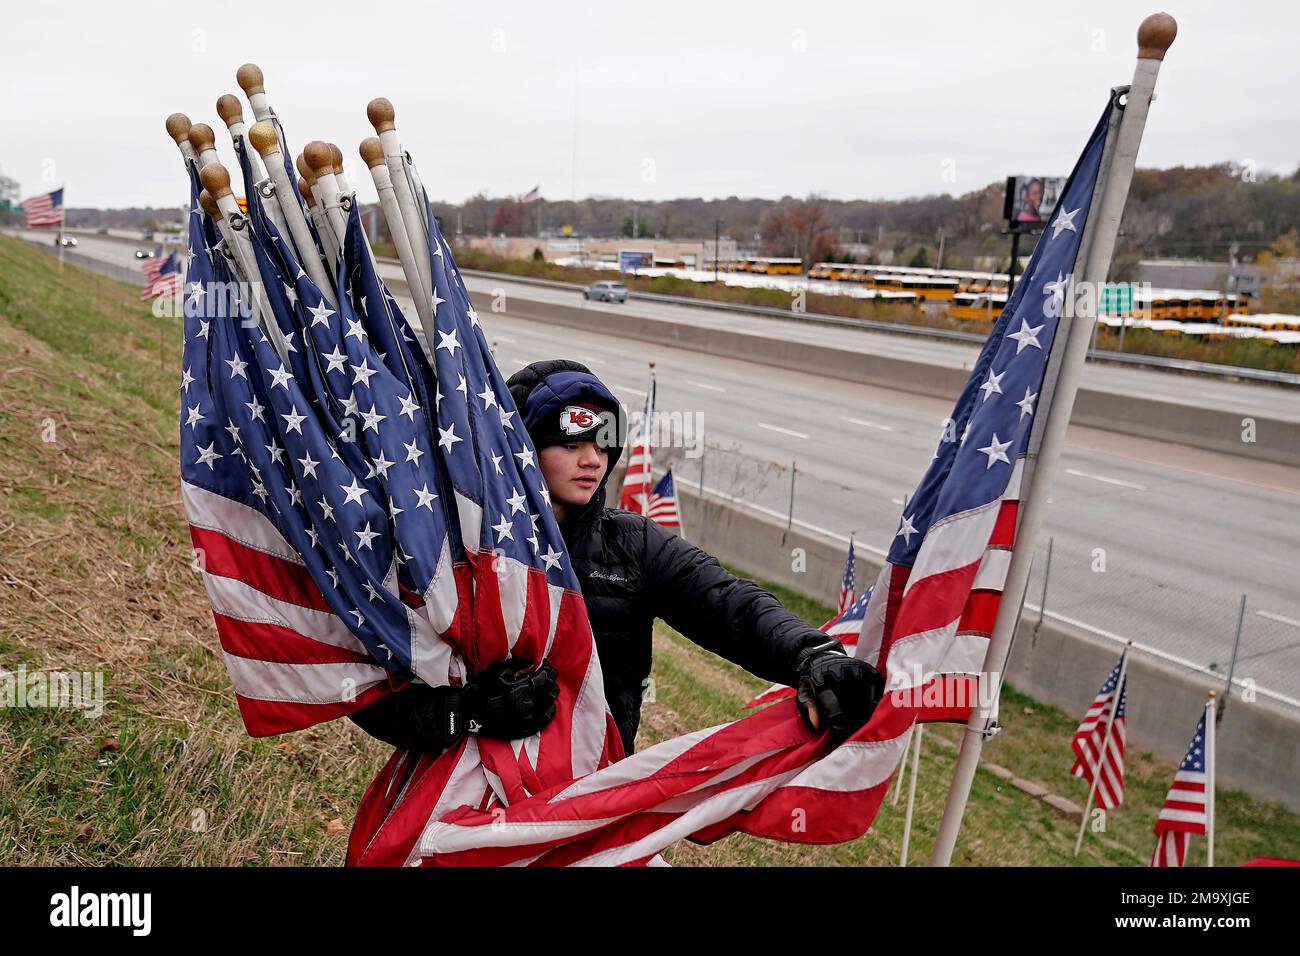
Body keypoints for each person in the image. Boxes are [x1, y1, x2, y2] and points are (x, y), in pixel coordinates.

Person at [349, 359, 885, 758]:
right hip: (463, 796)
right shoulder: (451, 545)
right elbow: (366, 688)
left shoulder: (632, 545)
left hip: (590, 790)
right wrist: (467, 715)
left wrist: (812, 656)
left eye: (605, 445)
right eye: (571, 443)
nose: (593, 460)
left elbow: (728, 603)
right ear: (521, 447)